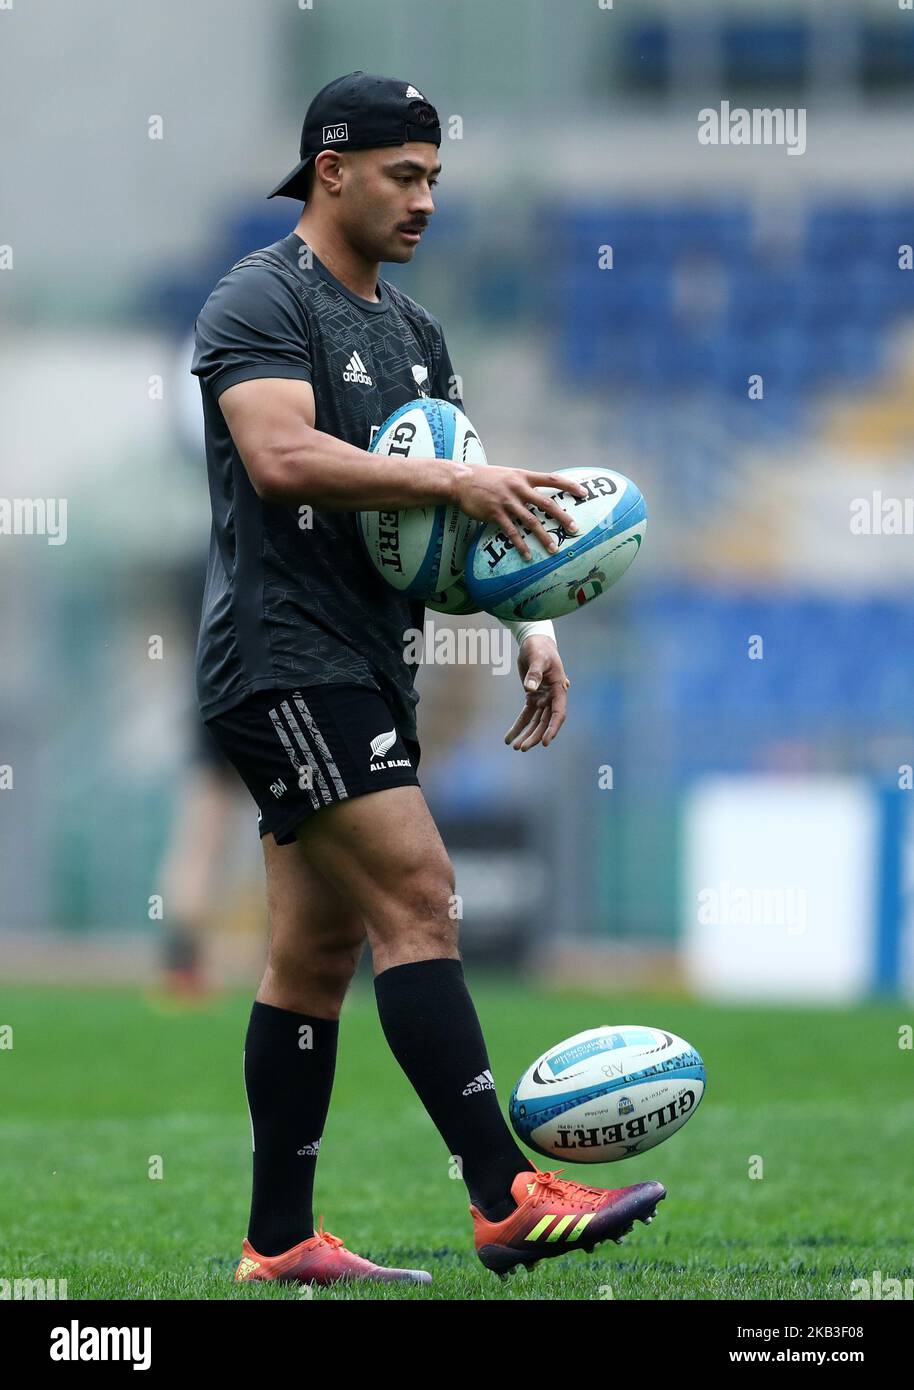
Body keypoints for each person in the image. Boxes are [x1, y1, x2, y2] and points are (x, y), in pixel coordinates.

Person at [192, 70, 666, 1285]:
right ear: (330, 170)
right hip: (282, 660)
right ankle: (505, 1192)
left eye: (435, 180)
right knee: (422, 893)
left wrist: (528, 620)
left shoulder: (413, 333)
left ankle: (279, 1238)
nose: (423, 201)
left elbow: (464, 510)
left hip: (367, 662)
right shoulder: (257, 297)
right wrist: (459, 487)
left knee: (312, 950)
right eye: (404, 176)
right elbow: (282, 455)